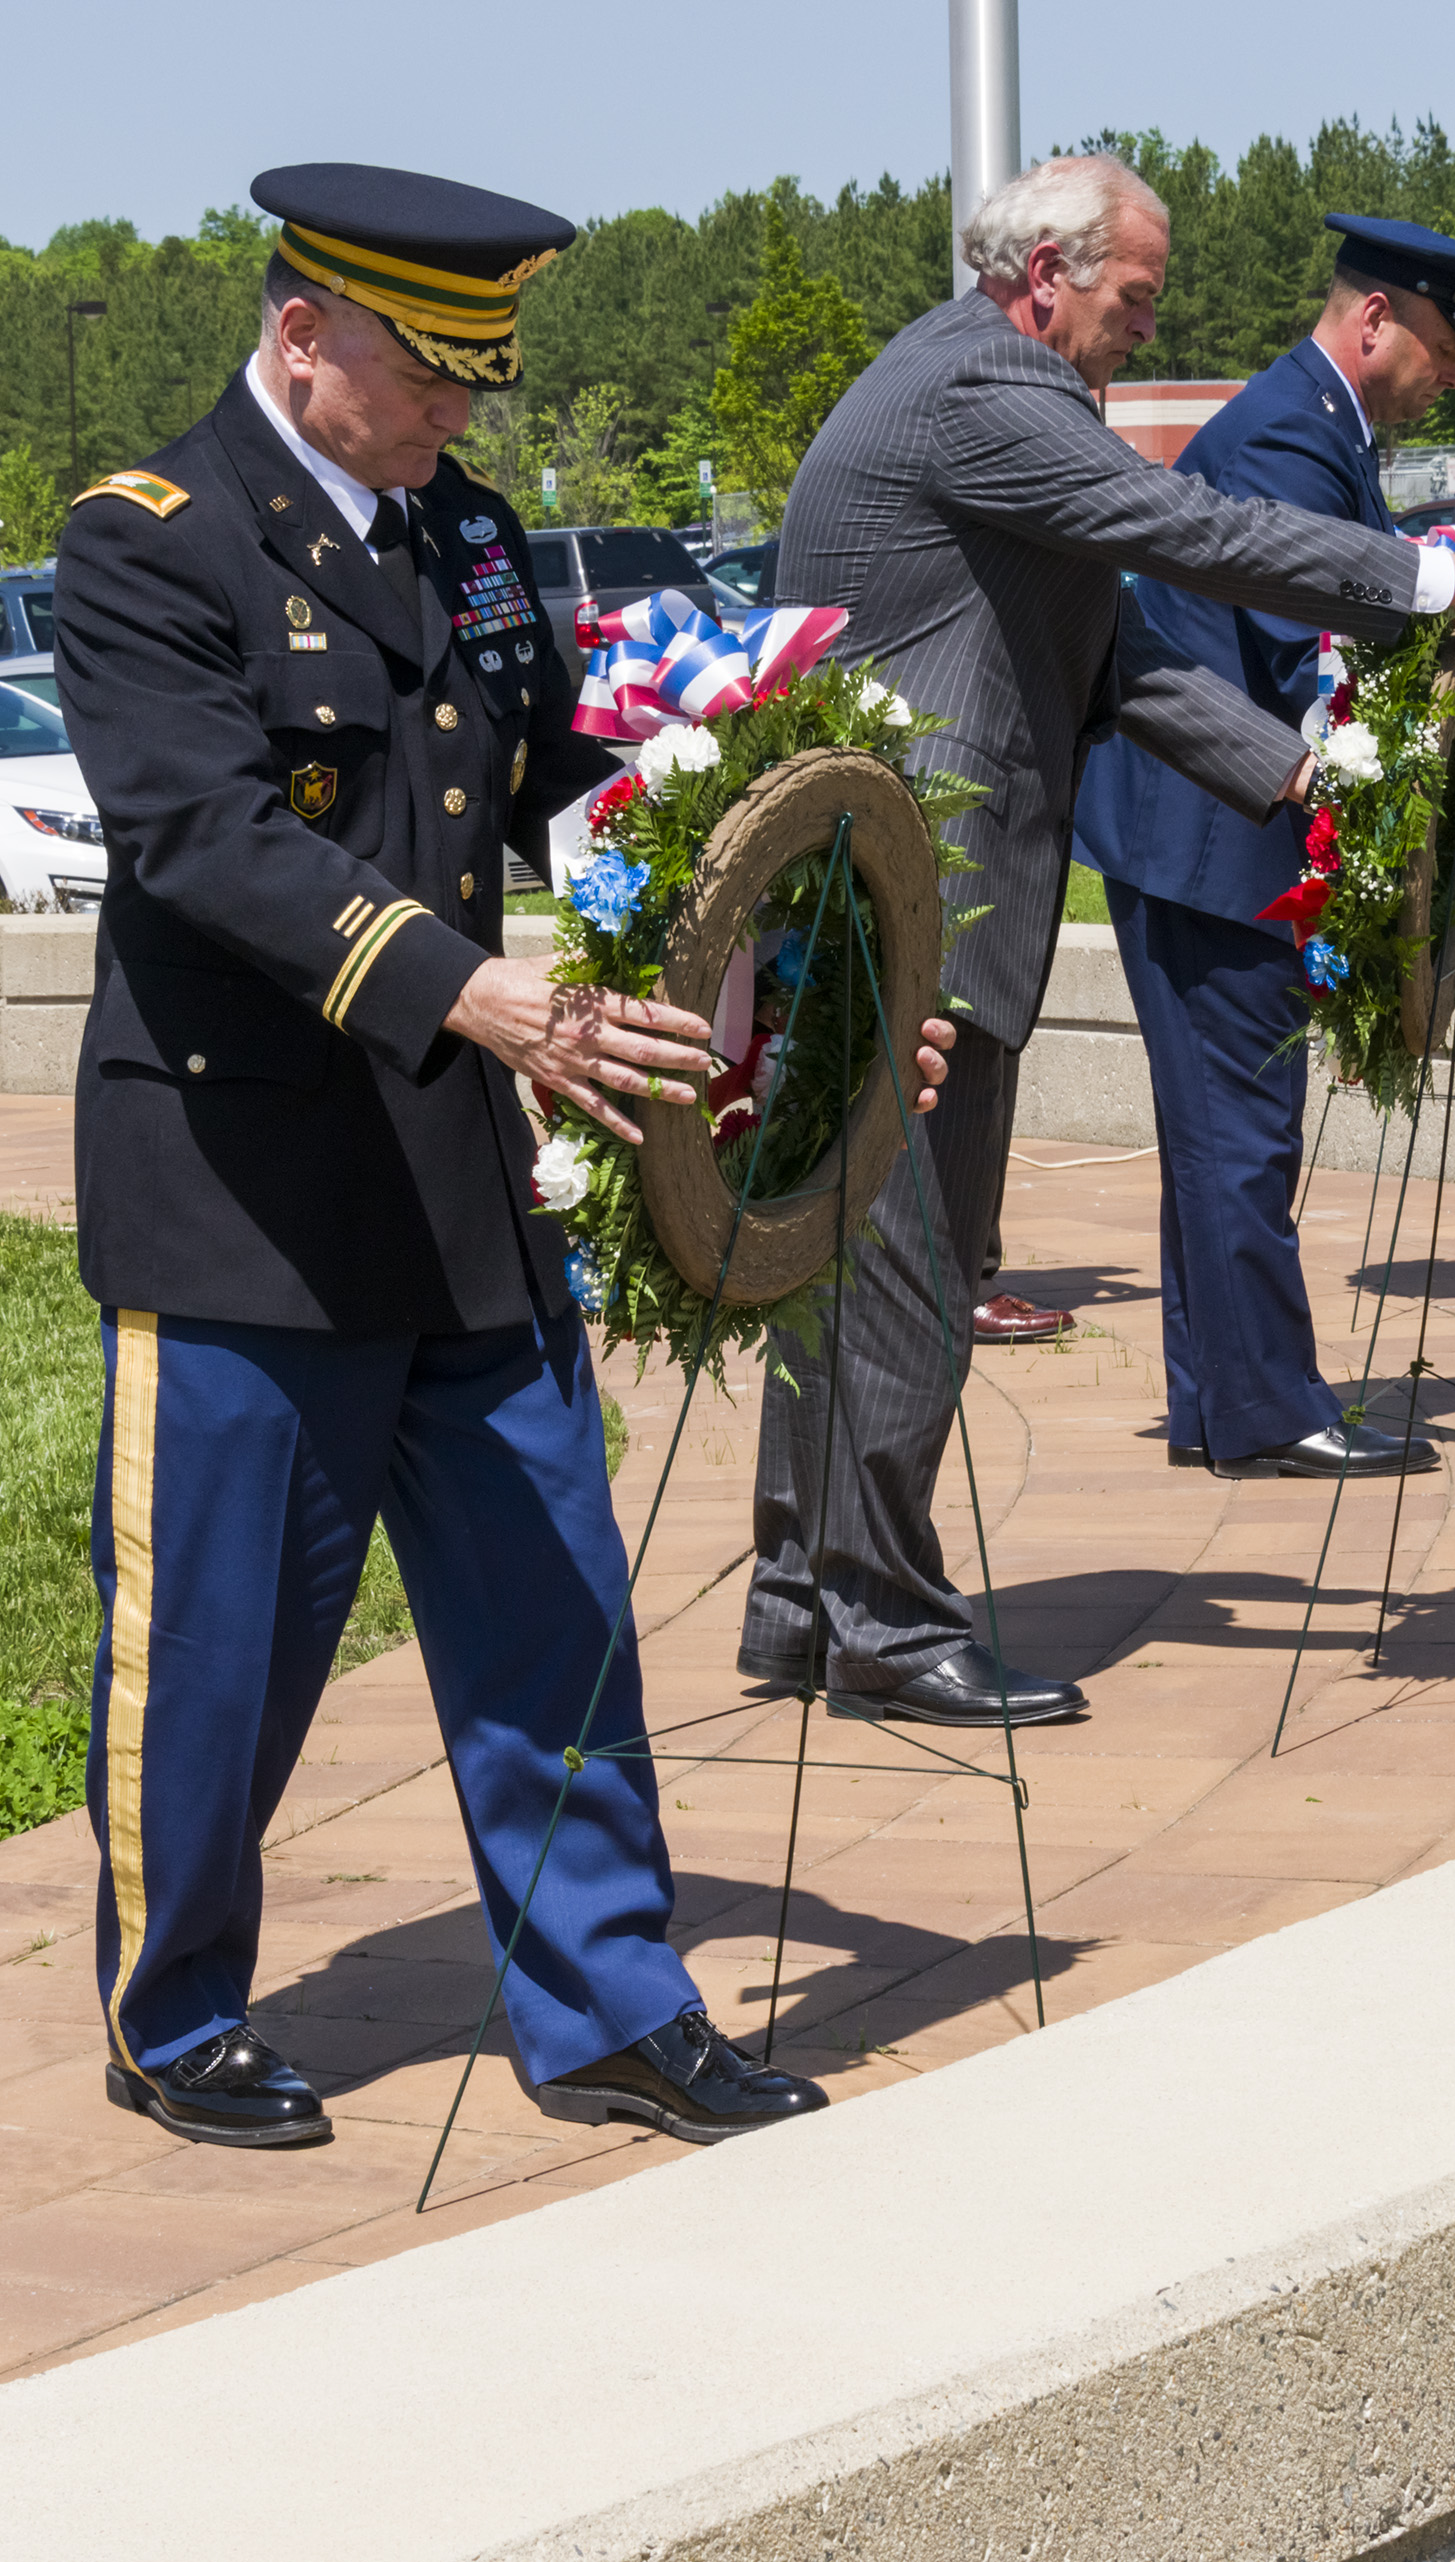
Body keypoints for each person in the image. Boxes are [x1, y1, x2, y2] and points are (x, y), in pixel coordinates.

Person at [53, 164, 946, 2152]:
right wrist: (482, 998)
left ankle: (613, 2005)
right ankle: (175, 2009)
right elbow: (207, 839)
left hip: (464, 1184)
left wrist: (819, 944)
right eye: (432, 367)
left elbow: (560, 773)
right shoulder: (151, 545)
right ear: (304, 331)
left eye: (482, 372)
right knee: (221, 1653)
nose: (468, 410)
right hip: (247, 1198)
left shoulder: (464, 533)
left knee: (553, 1607)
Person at [738, 162, 1455, 1733]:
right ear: (1045, 271)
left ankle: (802, 1594)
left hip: (890, 888)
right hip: (912, 898)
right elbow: (1180, 530)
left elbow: (1118, 665)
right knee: (904, 1259)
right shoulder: (985, 389)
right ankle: (882, 1615)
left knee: (861, 1251)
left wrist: (1296, 775)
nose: (1150, 320)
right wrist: (1432, 580)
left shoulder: (982, 382)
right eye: (1138, 296)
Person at [1075, 216, 1455, 1483]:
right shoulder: (1285, 436)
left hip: (1220, 826)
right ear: (1373, 321)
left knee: (1222, 1132)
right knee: (1240, 1133)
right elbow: (1315, 675)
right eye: (1443, 345)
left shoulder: (1321, 430)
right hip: (1212, 835)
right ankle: (1264, 1409)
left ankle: (1223, 1396)